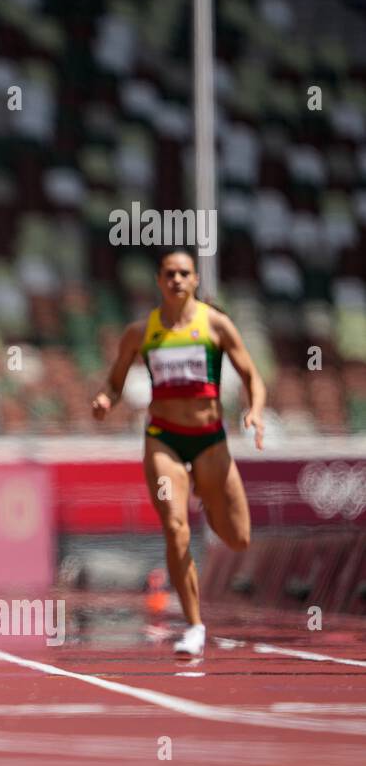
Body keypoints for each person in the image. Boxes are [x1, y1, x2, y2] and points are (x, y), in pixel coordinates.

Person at [92, 244, 263, 658]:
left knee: (238, 539)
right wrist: (105, 399)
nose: (177, 280)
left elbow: (252, 375)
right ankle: (194, 625)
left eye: (184, 273)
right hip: (164, 438)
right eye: (169, 273)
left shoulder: (217, 326)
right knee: (174, 526)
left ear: (195, 280)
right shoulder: (141, 332)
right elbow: (114, 381)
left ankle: (204, 491)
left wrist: (255, 410)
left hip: (209, 440)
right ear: (158, 281)